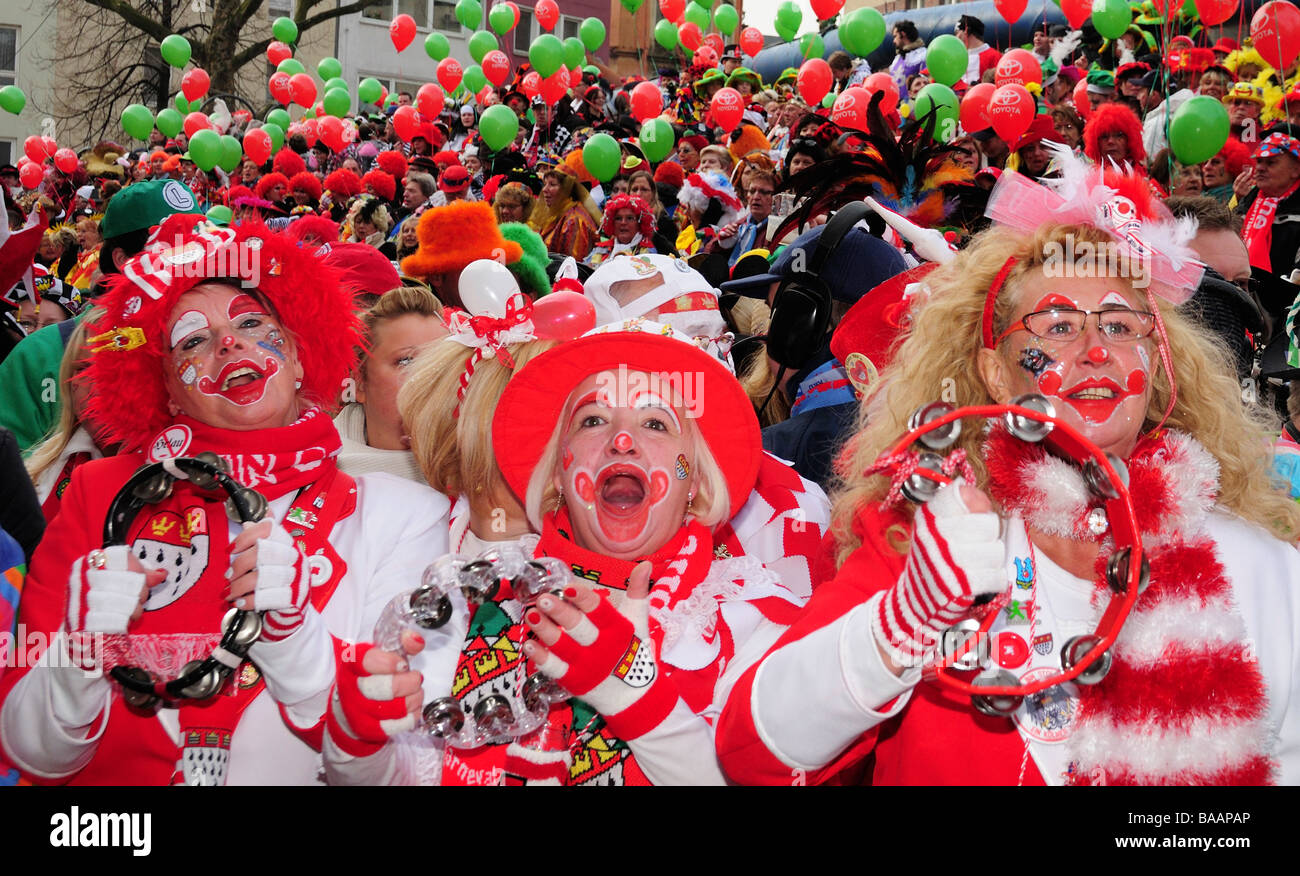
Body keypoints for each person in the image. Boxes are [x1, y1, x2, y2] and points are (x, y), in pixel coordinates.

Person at [716, 155, 1300, 786]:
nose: (1096, 351)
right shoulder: (920, 542)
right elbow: (751, 752)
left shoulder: (1259, 564)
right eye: (1057, 326)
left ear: (1157, 366)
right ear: (995, 373)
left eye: (1118, 325)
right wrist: (900, 627)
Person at [0, 215, 452, 785]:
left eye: (252, 322)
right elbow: (30, 753)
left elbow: (402, 766)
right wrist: (77, 660)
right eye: (192, 339)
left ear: (297, 354)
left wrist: (295, 639)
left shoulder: (403, 514)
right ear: (164, 386)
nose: (229, 342)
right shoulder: (100, 495)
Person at [338, 319, 808, 784]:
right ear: (558, 474)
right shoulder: (479, 593)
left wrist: (634, 698)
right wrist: (356, 745)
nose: (621, 441)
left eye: (655, 423)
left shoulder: (755, 619)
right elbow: (420, 773)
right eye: (593, 420)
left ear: (697, 484)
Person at [335, 286, 445, 482]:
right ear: (359, 382)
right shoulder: (312, 473)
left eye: (442, 361)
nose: (430, 375)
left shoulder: (481, 473)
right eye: (406, 361)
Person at [1240, 132, 1300, 284]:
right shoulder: (1249, 200)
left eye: (1271, 162)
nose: (1260, 168)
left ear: (1296, 170)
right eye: (1259, 161)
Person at [530, 165, 599, 262]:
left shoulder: (574, 221)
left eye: (552, 185)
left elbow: (572, 265)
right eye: (545, 184)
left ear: (566, 189)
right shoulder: (557, 213)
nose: (544, 190)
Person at [586, 194, 658, 266]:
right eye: (618, 218)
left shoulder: (648, 253)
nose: (623, 223)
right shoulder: (601, 250)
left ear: (640, 223)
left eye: (629, 218)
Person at [955, 15, 1000, 85]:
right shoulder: (956, 58)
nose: (956, 37)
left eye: (957, 32)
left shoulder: (994, 56)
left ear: (966, 31)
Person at [889, 21, 927, 94]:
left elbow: (927, 83)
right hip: (898, 104)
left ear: (903, 34)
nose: (894, 41)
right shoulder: (897, 59)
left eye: (895, 36)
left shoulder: (923, 55)